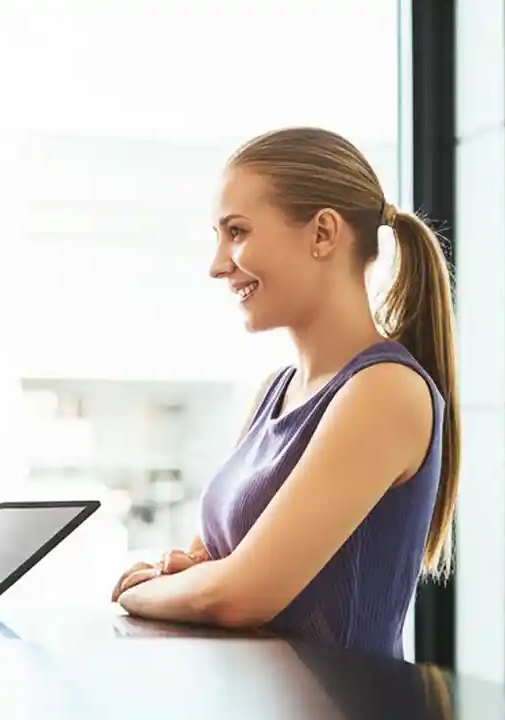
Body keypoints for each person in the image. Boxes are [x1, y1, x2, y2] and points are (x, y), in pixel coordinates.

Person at [110, 127, 458, 660]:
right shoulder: (276, 392)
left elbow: (239, 596)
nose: (218, 263)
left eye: (238, 232)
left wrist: (142, 592)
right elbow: (216, 569)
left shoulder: (384, 391)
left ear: (322, 233)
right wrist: (189, 576)